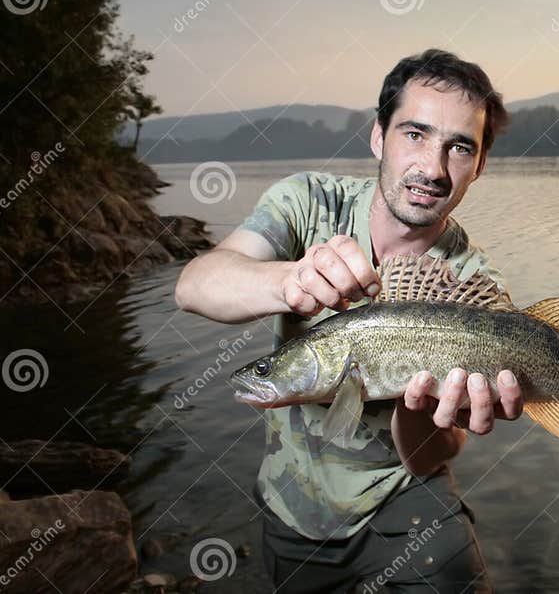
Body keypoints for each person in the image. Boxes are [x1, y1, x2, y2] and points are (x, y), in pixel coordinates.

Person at [174, 48, 519, 592]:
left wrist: (427, 409)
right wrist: (286, 281)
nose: (431, 167)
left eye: (459, 147)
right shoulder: (308, 201)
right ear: (378, 136)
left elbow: (435, 453)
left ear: (480, 165)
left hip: (405, 499)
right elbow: (193, 285)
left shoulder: (475, 283)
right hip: (293, 508)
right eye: (414, 134)